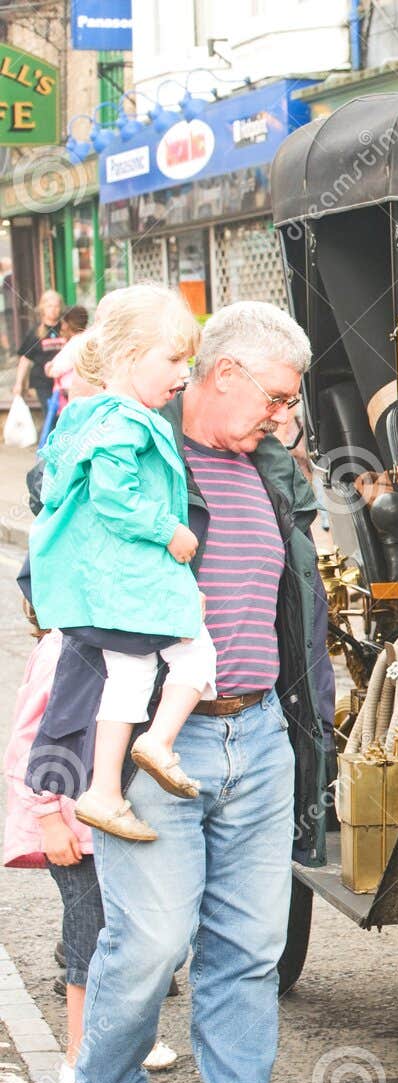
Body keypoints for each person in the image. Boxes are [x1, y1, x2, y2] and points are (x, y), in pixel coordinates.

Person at [70, 301, 330, 1083]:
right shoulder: (137, 454)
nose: (282, 416)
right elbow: (54, 568)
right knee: (151, 941)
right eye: (275, 397)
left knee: (248, 947)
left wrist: (313, 728)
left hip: (258, 735)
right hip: (156, 741)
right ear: (223, 376)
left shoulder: (267, 470)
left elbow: (302, 614)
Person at [28, 286, 217, 842]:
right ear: (131, 357)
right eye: (174, 359)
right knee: (196, 652)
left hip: (105, 586)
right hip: (133, 578)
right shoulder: (128, 423)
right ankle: (157, 742)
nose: (183, 373)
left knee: (128, 676)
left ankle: (104, 791)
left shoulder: (84, 416)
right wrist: (172, 532)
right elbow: (116, 499)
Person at [3, 624, 178, 1083]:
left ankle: (129, 1039)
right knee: (88, 938)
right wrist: (47, 818)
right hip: (75, 825)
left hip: (127, 820)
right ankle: (78, 1052)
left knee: (136, 935)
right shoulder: (60, 647)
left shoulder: (143, 640)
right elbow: (28, 739)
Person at [38, 304, 88, 447]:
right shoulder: (88, 339)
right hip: (84, 394)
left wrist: (49, 367)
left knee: (65, 433)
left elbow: (55, 369)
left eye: (63, 323)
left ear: (67, 324)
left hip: (70, 396)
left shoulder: (74, 343)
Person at [14, 290, 65, 413]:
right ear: (42, 308)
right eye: (49, 306)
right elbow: (25, 359)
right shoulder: (35, 332)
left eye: (56, 306)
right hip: (42, 382)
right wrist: (19, 383)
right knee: (50, 413)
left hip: (63, 381)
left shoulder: (66, 329)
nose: (53, 309)